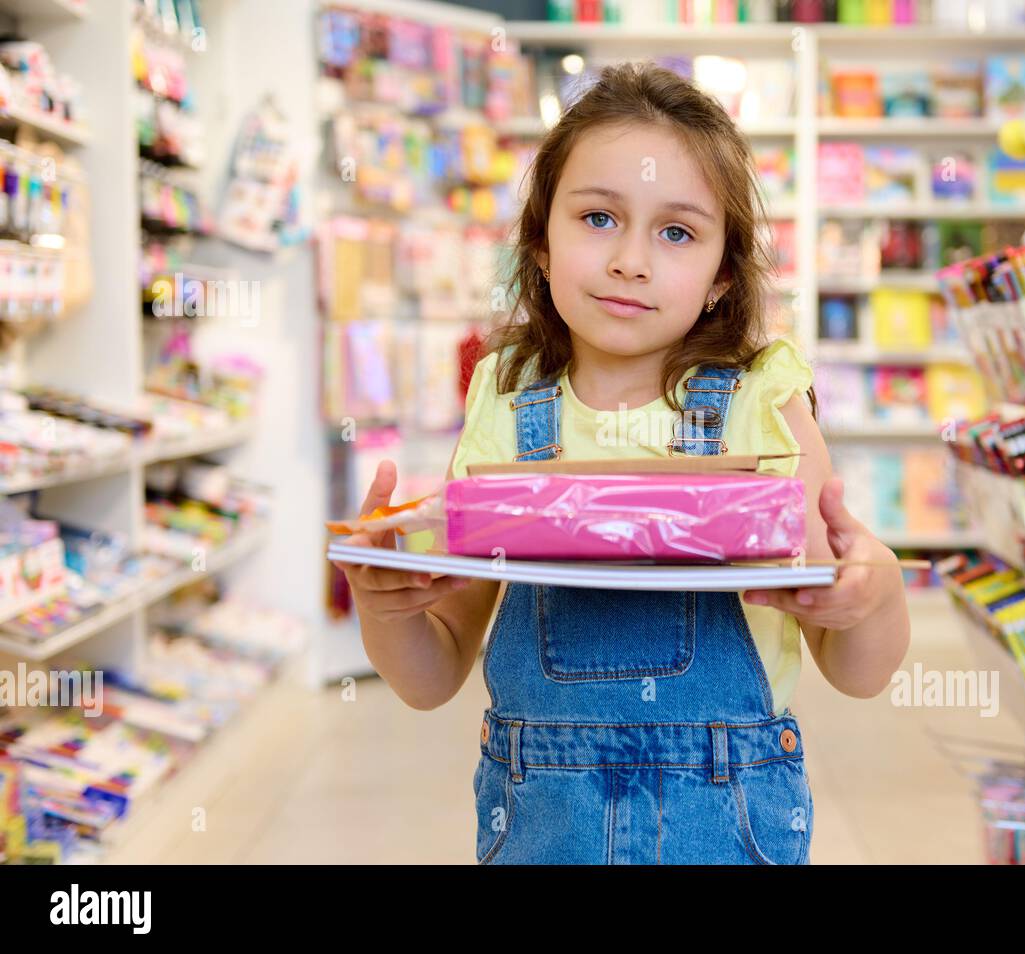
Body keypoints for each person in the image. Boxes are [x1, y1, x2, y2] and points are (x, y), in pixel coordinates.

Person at [333, 62, 911, 864]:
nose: (631, 260)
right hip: (542, 829)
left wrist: (874, 594)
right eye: (599, 218)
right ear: (539, 242)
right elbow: (433, 675)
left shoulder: (758, 396)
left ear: (720, 277)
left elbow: (856, 667)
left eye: (677, 232)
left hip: (727, 824)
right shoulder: (505, 398)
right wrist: (389, 606)